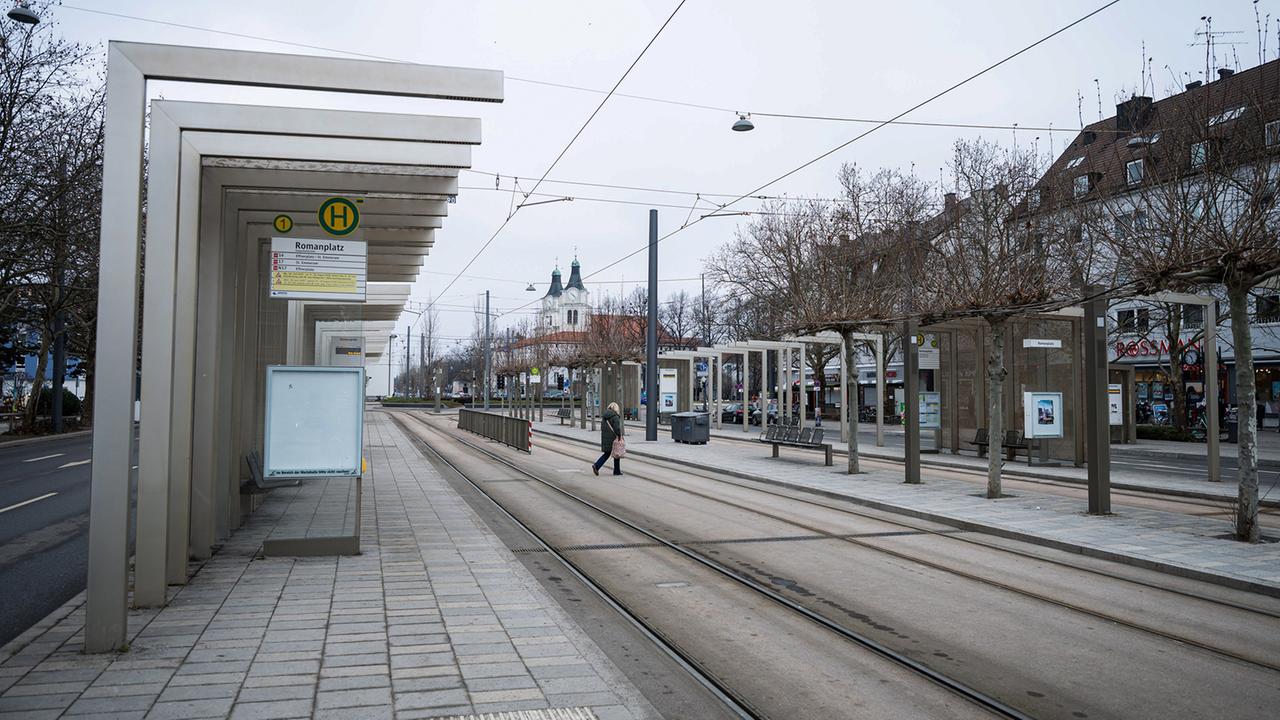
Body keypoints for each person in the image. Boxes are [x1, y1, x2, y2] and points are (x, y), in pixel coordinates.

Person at [593, 401, 624, 476]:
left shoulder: (605, 417)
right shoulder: (615, 417)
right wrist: (620, 436)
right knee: (616, 453)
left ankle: (616, 470)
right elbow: (617, 428)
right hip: (613, 438)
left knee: (608, 453)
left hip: (606, 438)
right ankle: (597, 465)